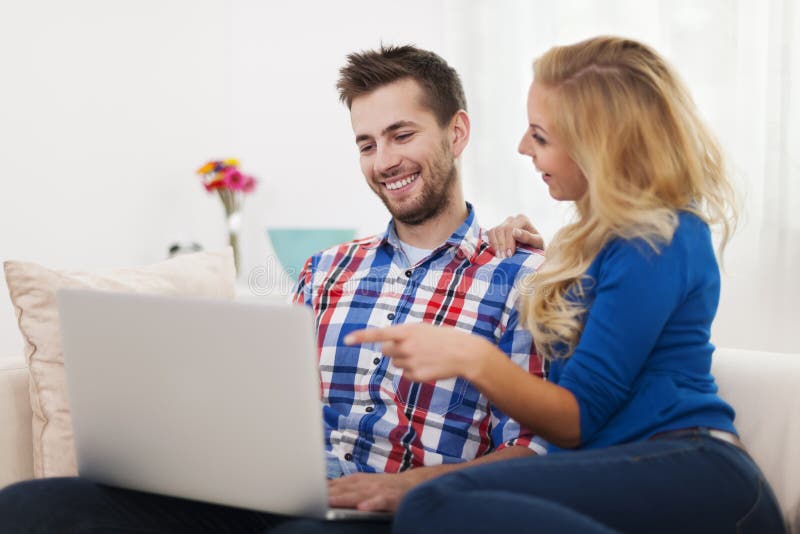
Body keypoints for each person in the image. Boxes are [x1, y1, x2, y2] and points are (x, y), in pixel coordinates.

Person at [0, 45, 546, 533]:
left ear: (456, 132)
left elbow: (531, 448)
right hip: (279, 498)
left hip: (401, 509)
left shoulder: (519, 276)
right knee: (33, 506)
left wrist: (407, 487)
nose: (384, 161)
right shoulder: (325, 270)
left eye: (402, 135)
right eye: (366, 144)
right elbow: (271, 409)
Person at [343, 36, 787, 533]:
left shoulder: (662, 236)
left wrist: (471, 357)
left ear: (597, 144)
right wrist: (549, 264)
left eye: (540, 135)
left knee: (433, 499)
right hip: (614, 477)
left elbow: (578, 420)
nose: (522, 147)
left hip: (697, 475)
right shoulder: (596, 246)